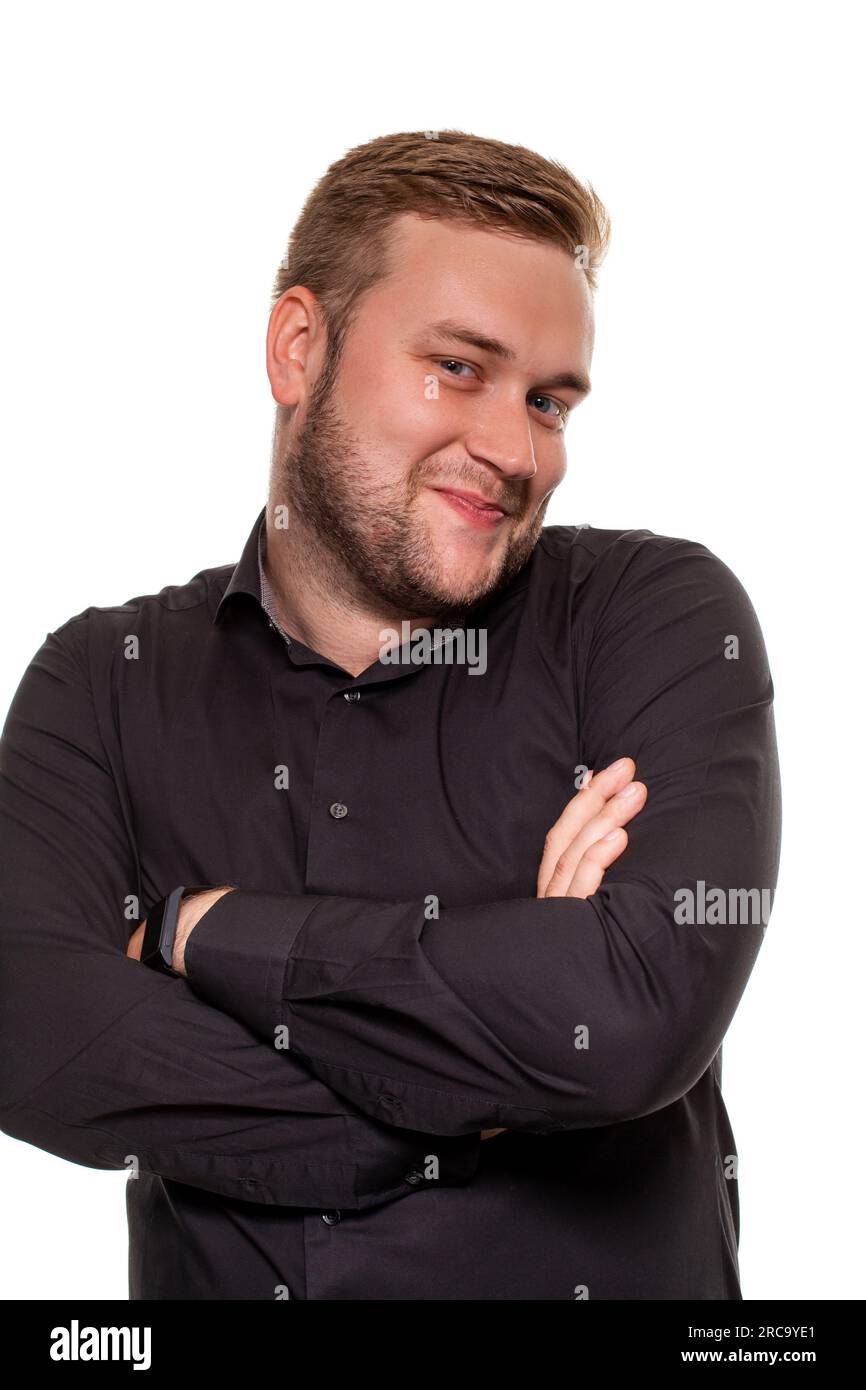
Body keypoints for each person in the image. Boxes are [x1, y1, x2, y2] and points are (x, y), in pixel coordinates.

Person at [0, 129, 781, 1300]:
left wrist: (198, 937)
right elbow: (32, 1033)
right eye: (458, 368)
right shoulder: (102, 678)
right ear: (298, 348)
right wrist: (482, 1084)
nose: (515, 448)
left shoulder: (652, 618)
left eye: (549, 400)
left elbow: (625, 1016)